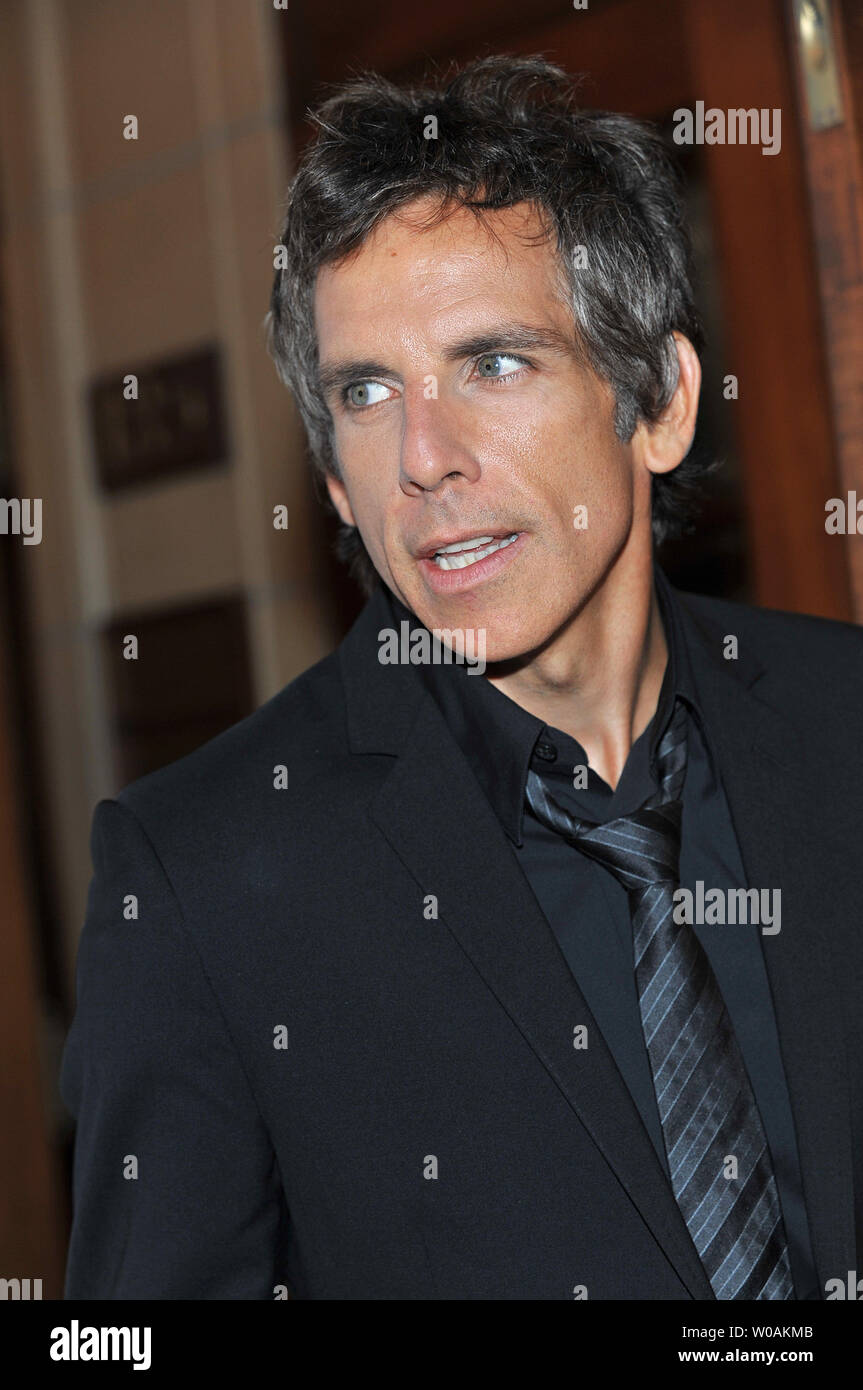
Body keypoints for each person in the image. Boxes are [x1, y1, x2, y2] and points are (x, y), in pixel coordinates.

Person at [61, 54, 862, 1300]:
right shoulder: (205, 881)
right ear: (333, 482)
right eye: (367, 393)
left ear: (656, 403)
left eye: (492, 362)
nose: (423, 456)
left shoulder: (843, 724)